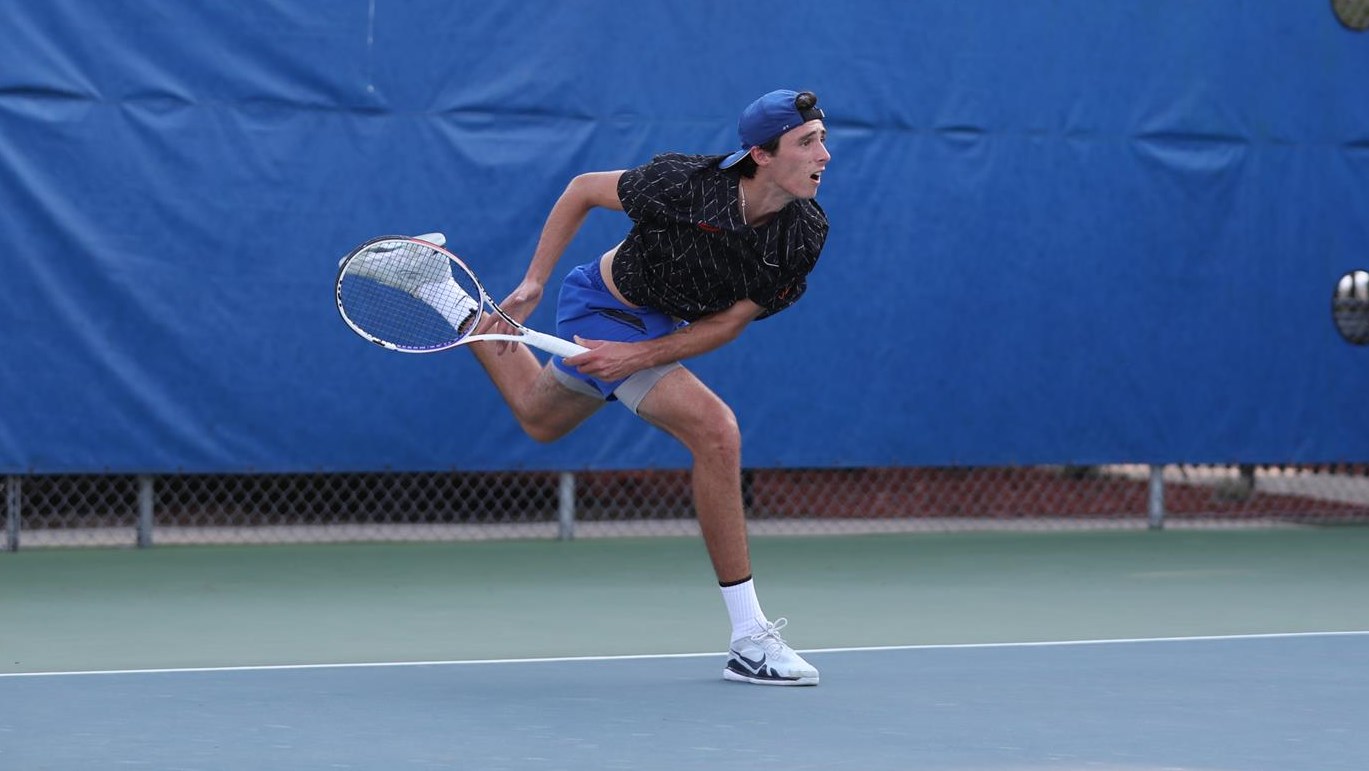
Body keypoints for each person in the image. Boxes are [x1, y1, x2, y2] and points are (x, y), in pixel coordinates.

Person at [390, 89, 830, 685]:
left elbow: (729, 322)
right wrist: (534, 283)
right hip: (604, 309)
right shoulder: (685, 184)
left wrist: (641, 356)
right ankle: (749, 639)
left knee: (539, 418)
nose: (824, 154)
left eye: (822, 139)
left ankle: (436, 289)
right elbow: (582, 190)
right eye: (807, 142)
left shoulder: (802, 234)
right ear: (761, 154)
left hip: (655, 328)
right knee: (716, 431)